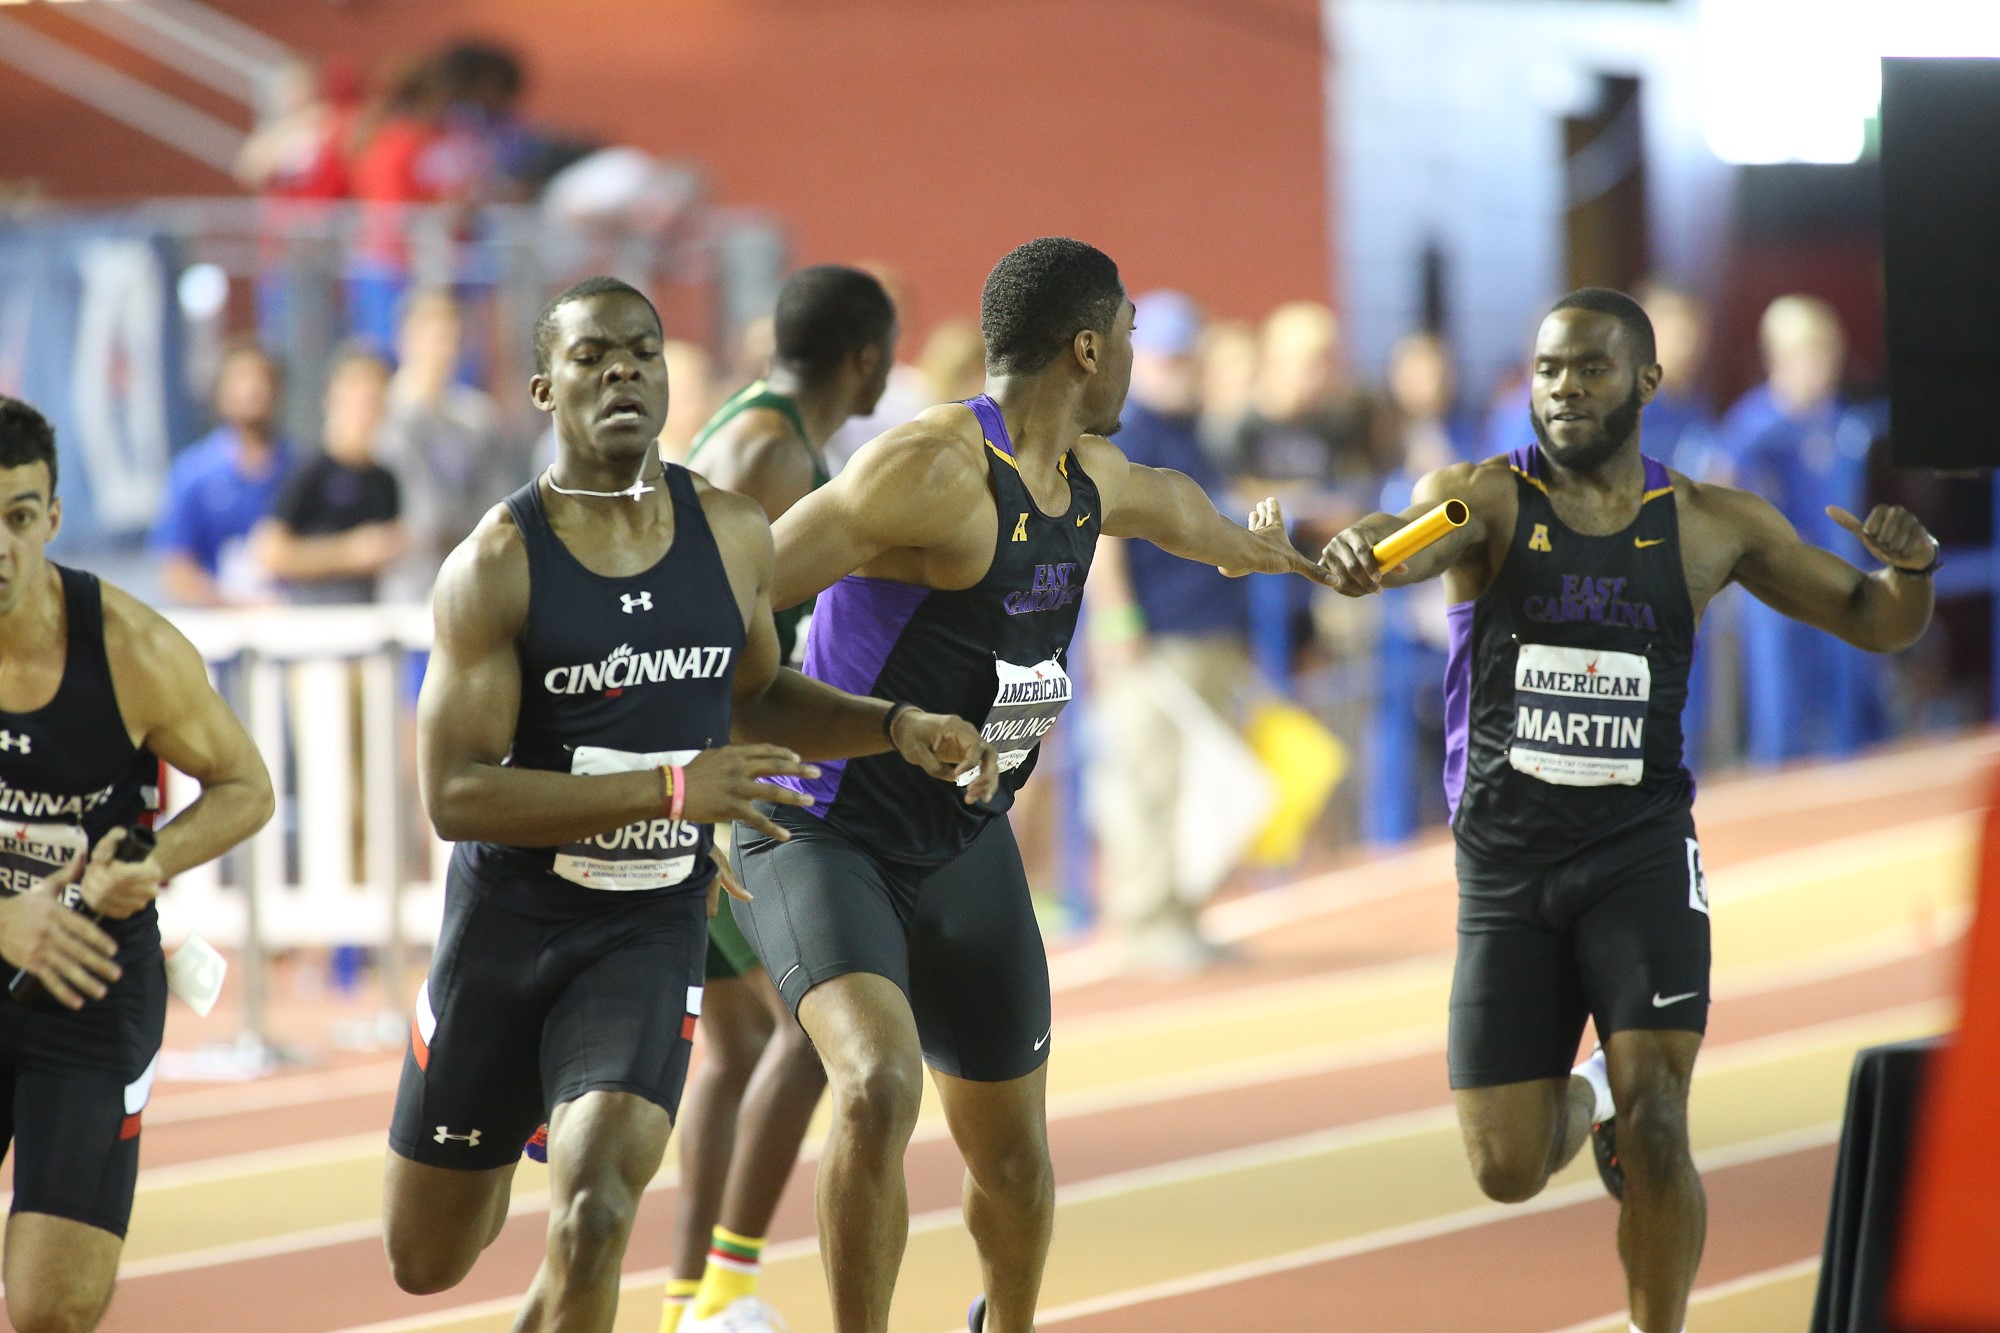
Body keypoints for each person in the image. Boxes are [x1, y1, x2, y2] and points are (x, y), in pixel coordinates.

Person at [734, 237, 1330, 1333]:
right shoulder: (928, 471)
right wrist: (731, 711)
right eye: (1132, 340)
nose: (1135, 363)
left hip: (964, 842)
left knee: (1011, 1158)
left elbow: (1186, 517)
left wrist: (1282, 556)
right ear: (1088, 347)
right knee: (875, 1081)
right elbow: (745, 579)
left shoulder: (1089, 478)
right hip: (825, 831)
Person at [379, 276, 996, 1333]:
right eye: (590, 356)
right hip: (509, 927)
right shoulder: (494, 565)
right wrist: (670, 786)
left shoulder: (730, 534)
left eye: (642, 351)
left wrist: (891, 722)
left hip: (645, 920)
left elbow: (757, 693)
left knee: (593, 1212)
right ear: (542, 388)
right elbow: (452, 793)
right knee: (428, 1259)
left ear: (669, 376)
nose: (621, 369)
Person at [1317, 289, 1935, 1333]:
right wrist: (1359, 553)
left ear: (1646, 383)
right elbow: (1403, 538)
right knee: (1505, 1166)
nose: (1562, 389)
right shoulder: (1483, 500)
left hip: (1637, 853)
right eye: (1547, 369)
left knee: (1660, 1125)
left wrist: (1907, 569)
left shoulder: (1704, 523)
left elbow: (1875, 620)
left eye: (1589, 369)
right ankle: (1590, 1094)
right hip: (1507, 870)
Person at [0, 395, 276, 1332]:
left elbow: (247, 786)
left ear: (54, 518)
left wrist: (153, 860)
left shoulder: (129, 647)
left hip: (90, 984)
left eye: (18, 517)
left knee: (51, 1308)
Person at [666, 265, 897, 1333]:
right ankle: (725, 1287)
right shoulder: (770, 451)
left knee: (735, 1047)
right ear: (867, 358)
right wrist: (701, 794)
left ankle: (686, 1301)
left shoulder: (753, 428)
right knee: (818, 1023)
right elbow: (699, 625)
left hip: (703, 764)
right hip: (715, 773)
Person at [1085, 289, 1252, 974]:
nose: (1184, 369)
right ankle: (1148, 917)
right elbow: (1101, 535)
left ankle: (1180, 911)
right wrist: (1119, 619)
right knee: (1148, 778)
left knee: (1192, 783)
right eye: (1171, 357)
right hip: (1157, 634)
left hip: (1202, 629)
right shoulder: (1129, 430)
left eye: (1189, 356)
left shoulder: (1191, 430)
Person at [377, 290, 520, 604]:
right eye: (433, 338)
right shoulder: (380, 413)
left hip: (468, 578)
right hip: (404, 583)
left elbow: (498, 504)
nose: (442, 350)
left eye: (451, 339)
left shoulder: (478, 417)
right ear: (405, 339)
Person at [252, 344, 407, 604]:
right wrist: (348, 552)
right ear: (332, 400)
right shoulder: (309, 472)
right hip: (314, 620)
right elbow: (270, 553)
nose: (364, 412)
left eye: (373, 400)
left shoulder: (385, 480)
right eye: (356, 399)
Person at [150, 338, 292, 607]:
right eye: (240, 379)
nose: (252, 389)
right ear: (220, 393)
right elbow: (174, 567)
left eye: (261, 378)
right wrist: (235, 607)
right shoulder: (193, 474)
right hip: (220, 632)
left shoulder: (297, 470)